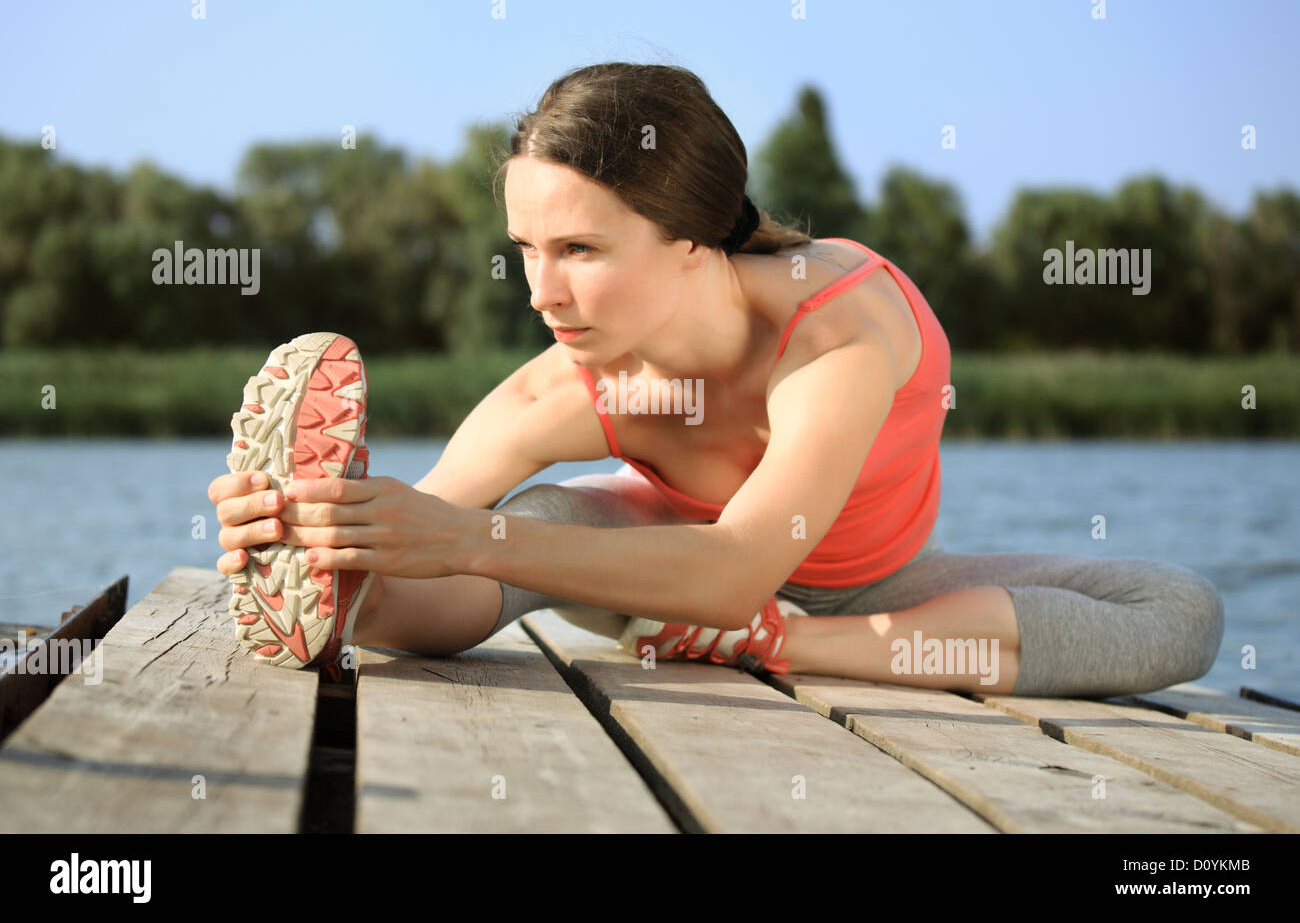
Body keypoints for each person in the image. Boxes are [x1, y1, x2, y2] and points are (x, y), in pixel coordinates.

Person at [206, 62, 1224, 697]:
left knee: (1177, 610)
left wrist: (474, 534)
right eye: (525, 247)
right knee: (548, 513)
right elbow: (439, 539)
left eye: (581, 249)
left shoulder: (836, 332)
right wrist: (339, 535)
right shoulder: (561, 387)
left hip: (865, 590)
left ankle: (807, 649)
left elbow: (741, 565)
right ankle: (343, 598)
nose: (541, 292)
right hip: (647, 570)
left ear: (694, 238)